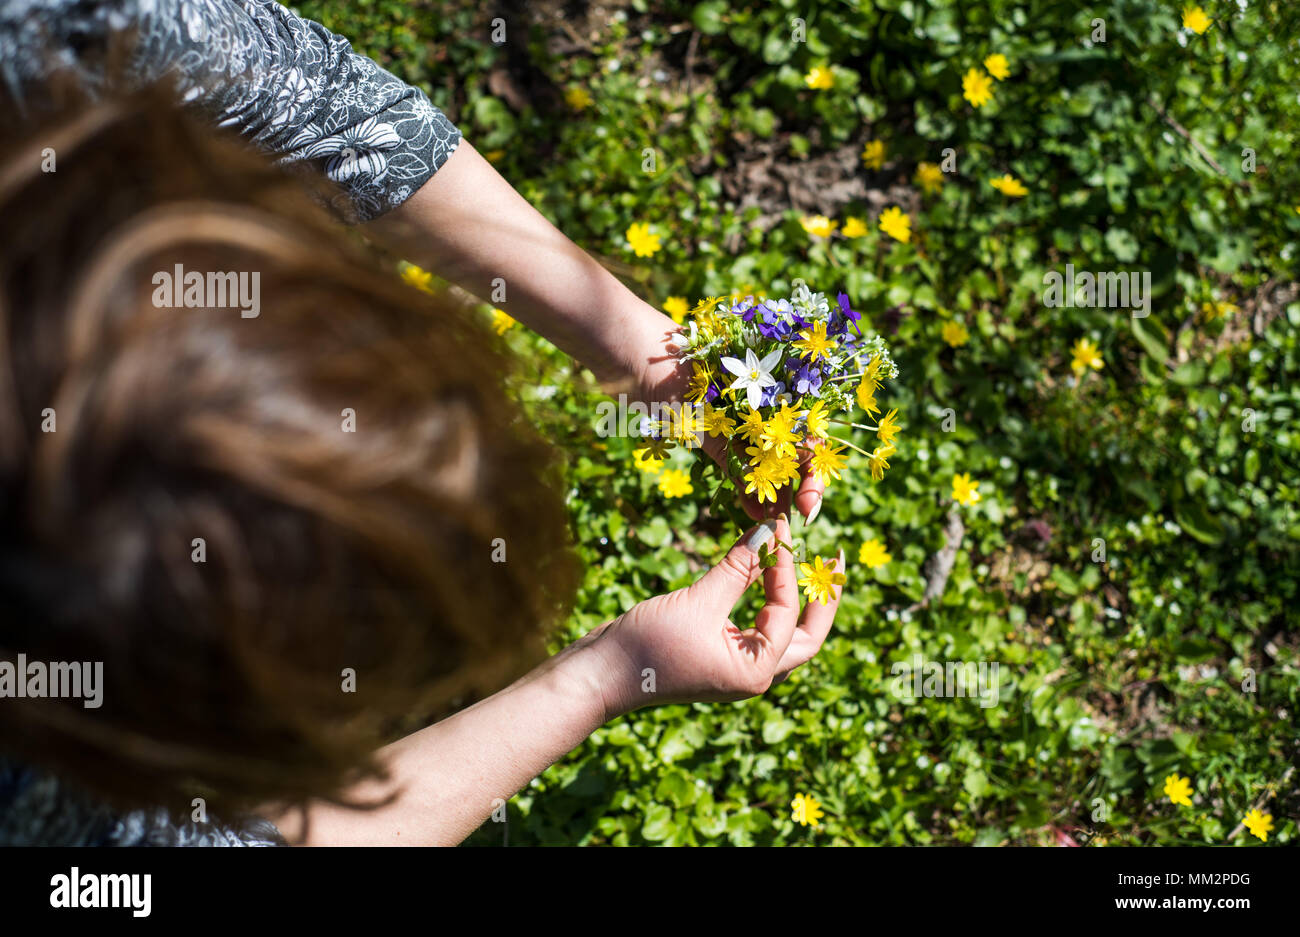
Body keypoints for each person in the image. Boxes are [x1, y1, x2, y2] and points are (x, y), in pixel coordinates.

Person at [0, 91, 846, 846]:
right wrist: (601, 679)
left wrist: (650, 354)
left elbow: (326, 110)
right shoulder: (39, 808)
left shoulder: (52, 53)